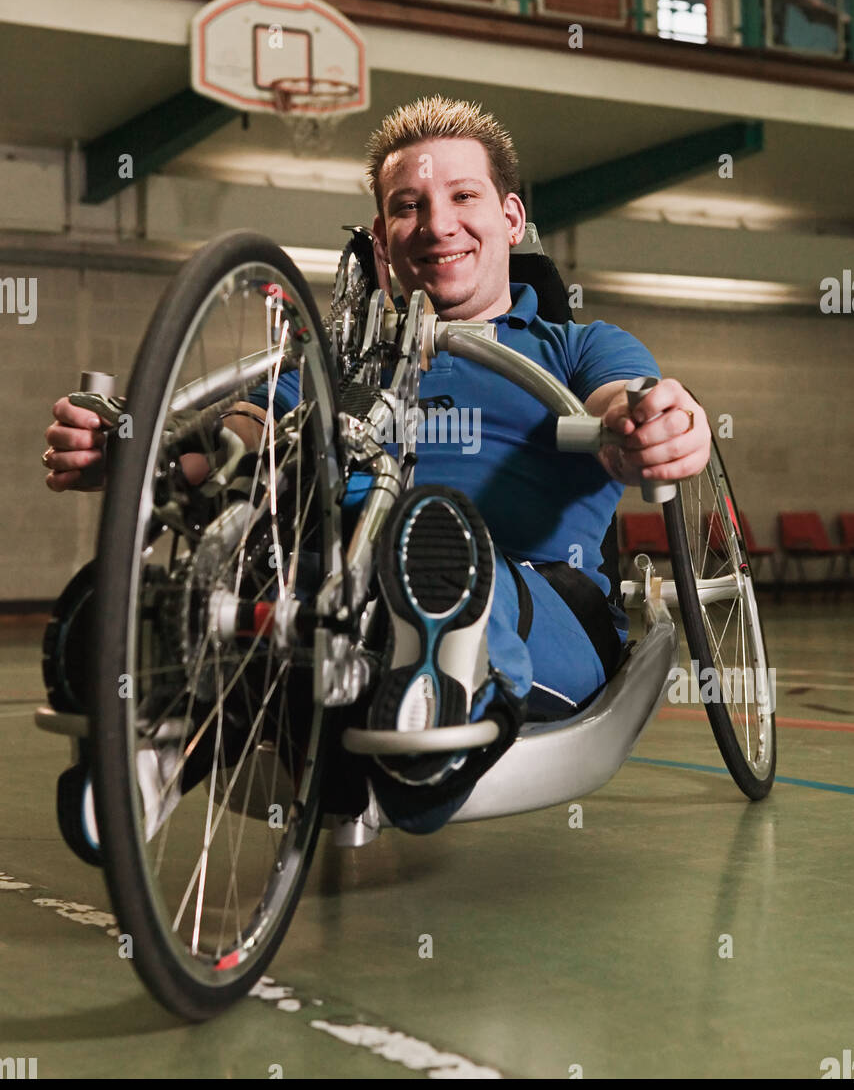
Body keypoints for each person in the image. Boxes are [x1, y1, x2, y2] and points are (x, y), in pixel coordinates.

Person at [44, 95, 711, 835]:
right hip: (341, 584)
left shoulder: (575, 347)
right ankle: (158, 726)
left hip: (539, 600)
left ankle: (442, 668)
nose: (436, 223)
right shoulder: (336, 364)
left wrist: (656, 425)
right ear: (381, 239)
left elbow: (630, 403)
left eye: (463, 196)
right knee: (257, 559)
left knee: (434, 551)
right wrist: (147, 456)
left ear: (512, 217)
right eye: (407, 206)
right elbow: (248, 422)